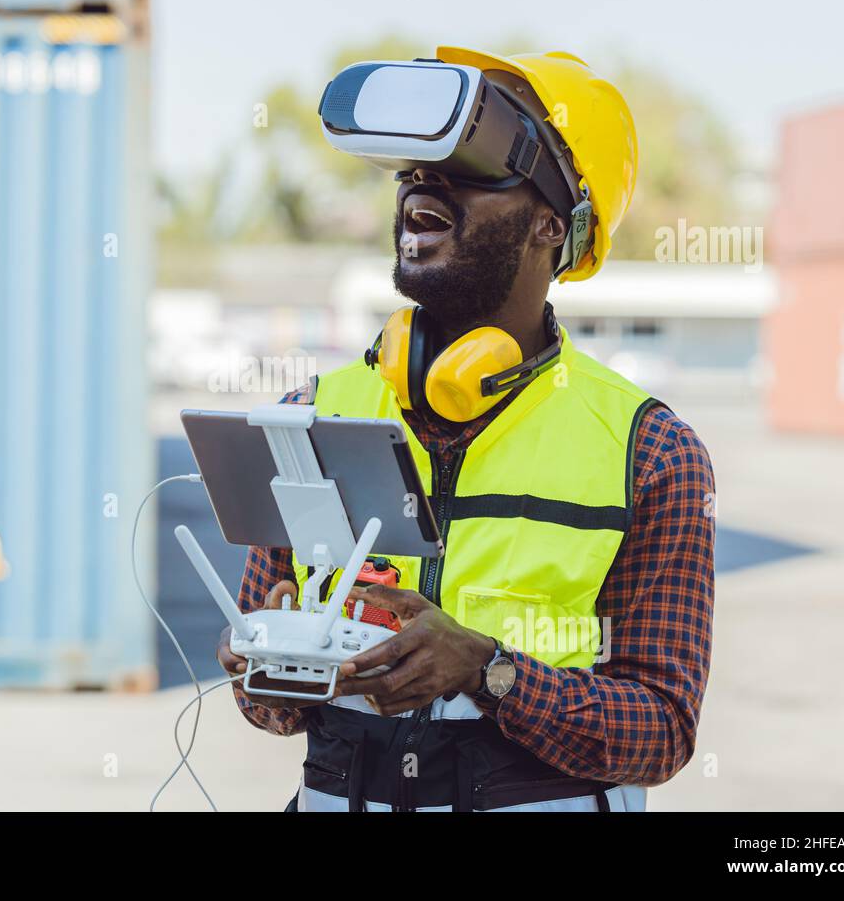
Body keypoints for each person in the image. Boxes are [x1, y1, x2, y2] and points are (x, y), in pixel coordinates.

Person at [217, 47, 715, 812]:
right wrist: (269, 671)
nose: (421, 183)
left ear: (553, 222)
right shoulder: (309, 417)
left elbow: (662, 729)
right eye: (414, 168)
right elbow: (267, 707)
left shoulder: (648, 451)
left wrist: (490, 670)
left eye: (470, 167)